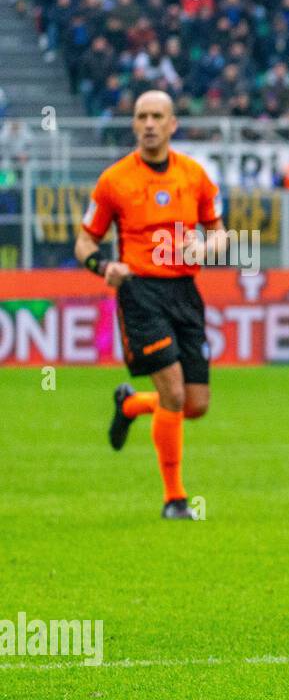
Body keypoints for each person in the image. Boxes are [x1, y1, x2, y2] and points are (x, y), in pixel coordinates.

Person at [74, 90, 227, 519]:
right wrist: (103, 265)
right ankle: (174, 499)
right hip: (140, 292)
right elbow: (85, 239)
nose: (148, 124)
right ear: (134, 123)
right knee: (174, 392)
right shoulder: (114, 180)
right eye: (141, 116)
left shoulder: (195, 176)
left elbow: (220, 231)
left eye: (157, 116)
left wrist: (209, 247)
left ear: (173, 124)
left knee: (195, 404)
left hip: (185, 294)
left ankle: (130, 404)